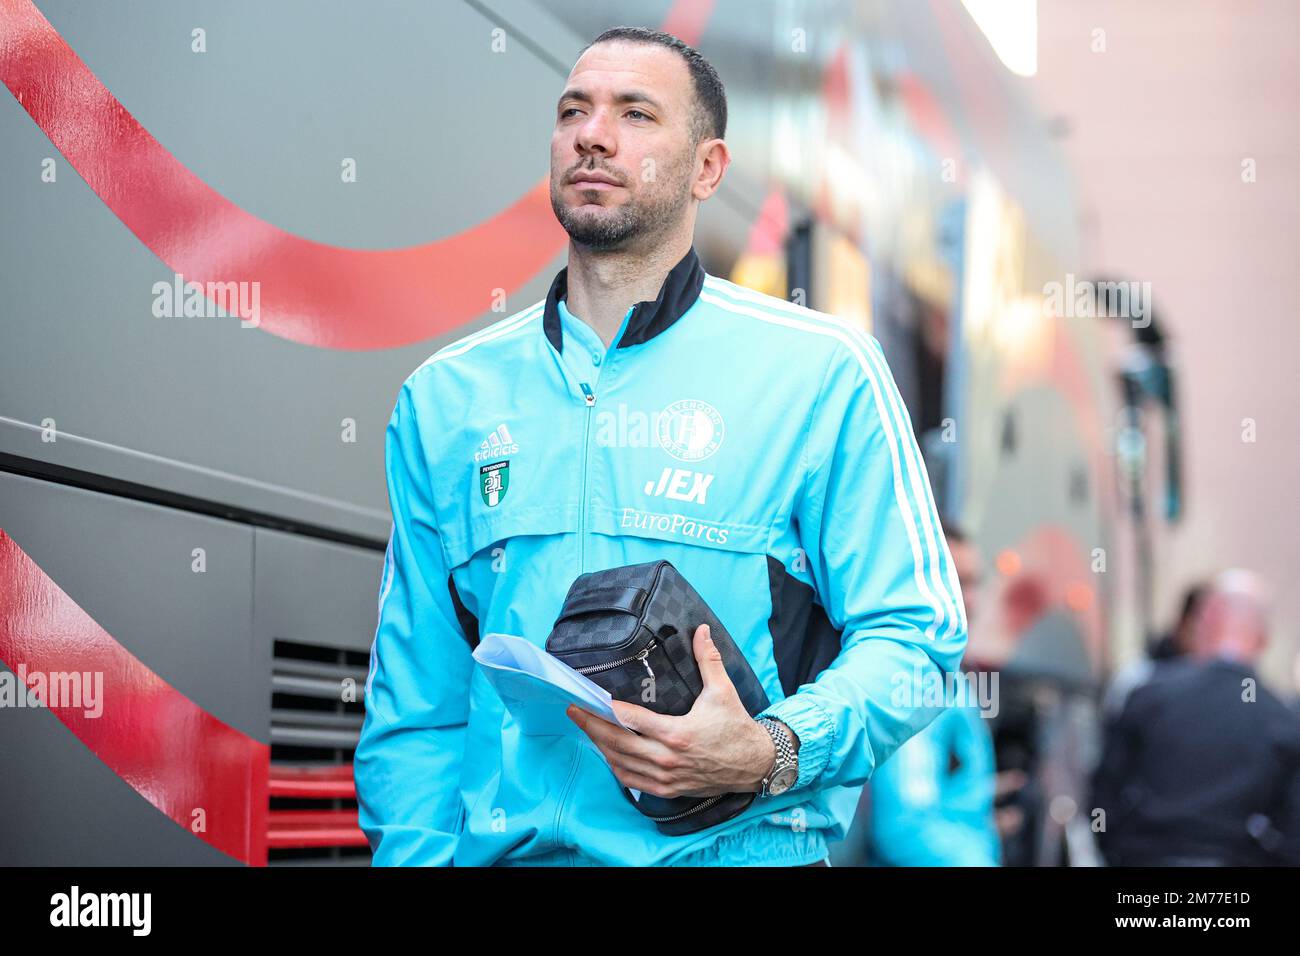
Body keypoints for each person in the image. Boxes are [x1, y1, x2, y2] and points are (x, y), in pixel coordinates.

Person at [353, 27, 966, 866]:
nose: (593, 134)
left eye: (636, 113)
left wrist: (773, 749)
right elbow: (417, 710)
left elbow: (917, 638)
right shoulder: (444, 400)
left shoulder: (822, 374)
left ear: (708, 169)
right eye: (574, 111)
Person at [1090, 570, 1300, 866]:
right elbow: (1293, 834)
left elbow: (1103, 797)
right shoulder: (1282, 721)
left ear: (1207, 620)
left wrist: (1121, 852)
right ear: (1263, 638)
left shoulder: (1148, 697)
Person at [865, 522, 1002, 866]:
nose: (969, 600)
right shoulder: (915, 680)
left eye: (975, 583)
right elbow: (906, 824)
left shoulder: (947, 673)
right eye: (957, 582)